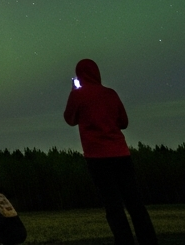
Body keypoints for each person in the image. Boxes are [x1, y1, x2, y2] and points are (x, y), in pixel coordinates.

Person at [64, 58, 157, 245]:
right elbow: (124, 122)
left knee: (113, 207)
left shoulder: (78, 96)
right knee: (135, 203)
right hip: (121, 155)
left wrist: (75, 92)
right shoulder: (111, 94)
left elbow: (70, 119)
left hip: (97, 158)